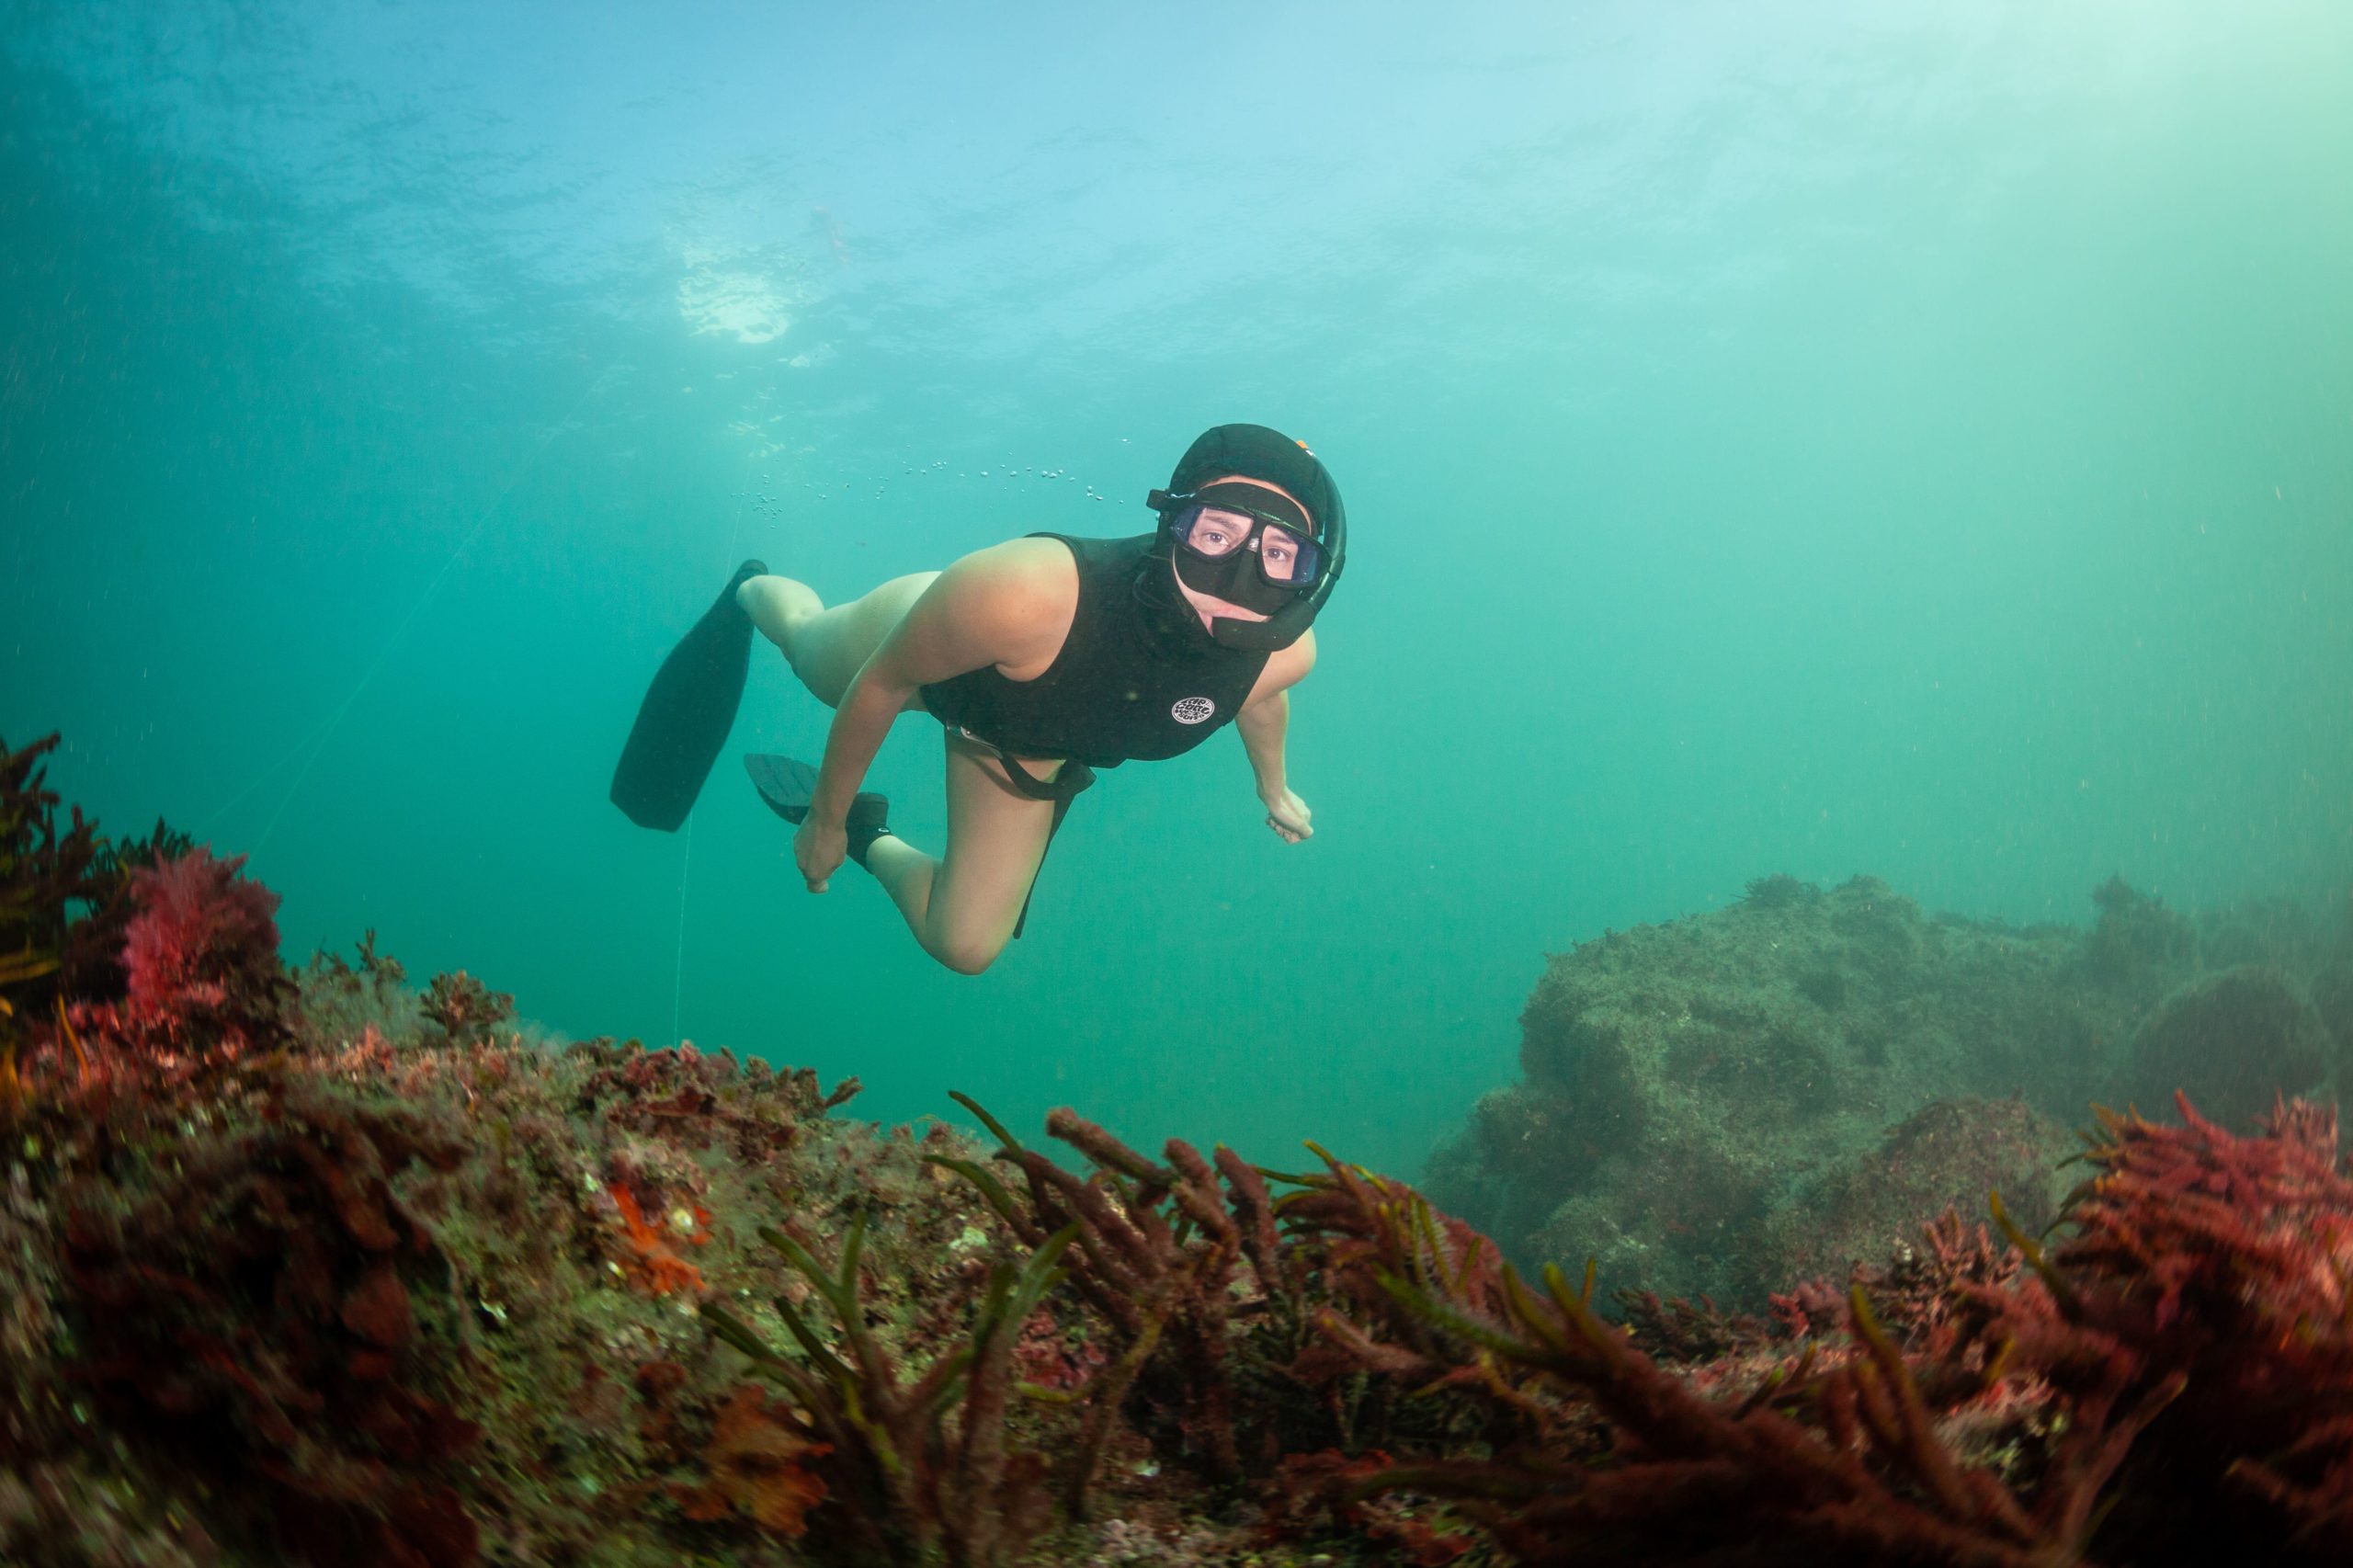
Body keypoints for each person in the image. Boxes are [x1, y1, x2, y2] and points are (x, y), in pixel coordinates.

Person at [609, 422, 1346, 974]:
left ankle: (875, 834)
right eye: (1216, 534)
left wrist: (1273, 786)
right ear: (1171, 524)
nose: (1237, 578)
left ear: (1312, 577)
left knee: (962, 945)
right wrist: (822, 822)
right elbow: (883, 682)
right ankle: (748, 591)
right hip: (935, 653)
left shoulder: (1281, 655)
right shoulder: (1025, 592)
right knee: (808, 652)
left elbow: (1255, 698)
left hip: (1019, 743)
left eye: (1280, 554)